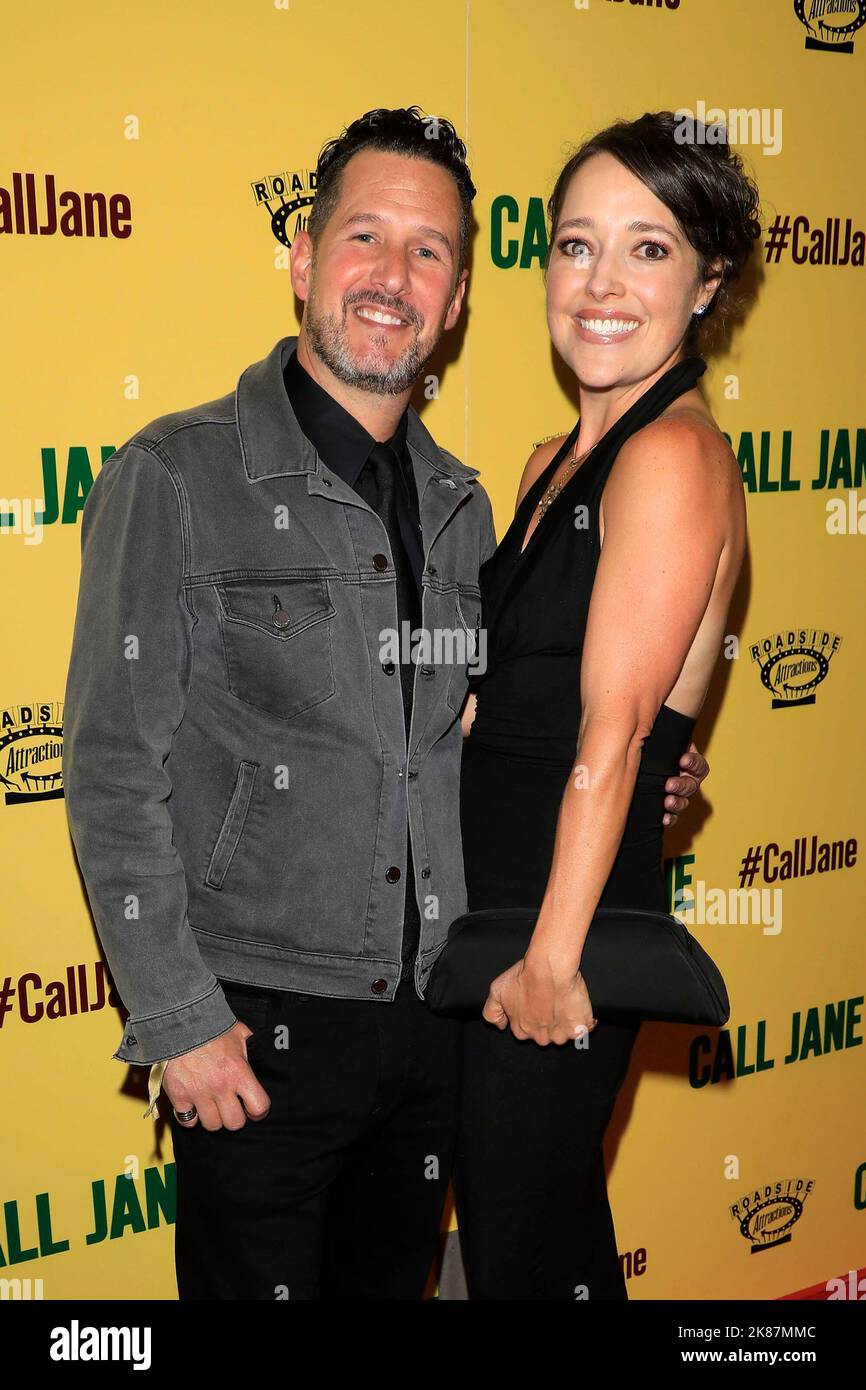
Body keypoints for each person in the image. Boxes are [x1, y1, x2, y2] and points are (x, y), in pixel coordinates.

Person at [63, 107, 708, 1302]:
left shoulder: (471, 506)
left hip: (439, 1028)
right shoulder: (176, 476)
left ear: (457, 300)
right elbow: (109, 769)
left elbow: (519, 721)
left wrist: (654, 765)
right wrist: (176, 1016)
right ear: (303, 262)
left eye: (428, 253)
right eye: (364, 238)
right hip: (250, 1038)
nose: (391, 278)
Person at [453, 111, 760, 1301]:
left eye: (646, 248)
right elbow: (505, 703)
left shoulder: (670, 457)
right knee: (554, 1242)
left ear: (705, 281)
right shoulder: (549, 463)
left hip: (555, 932)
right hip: (498, 904)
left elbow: (616, 732)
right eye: (575, 244)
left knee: (521, 1257)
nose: (599, 281)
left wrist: (548, 960)